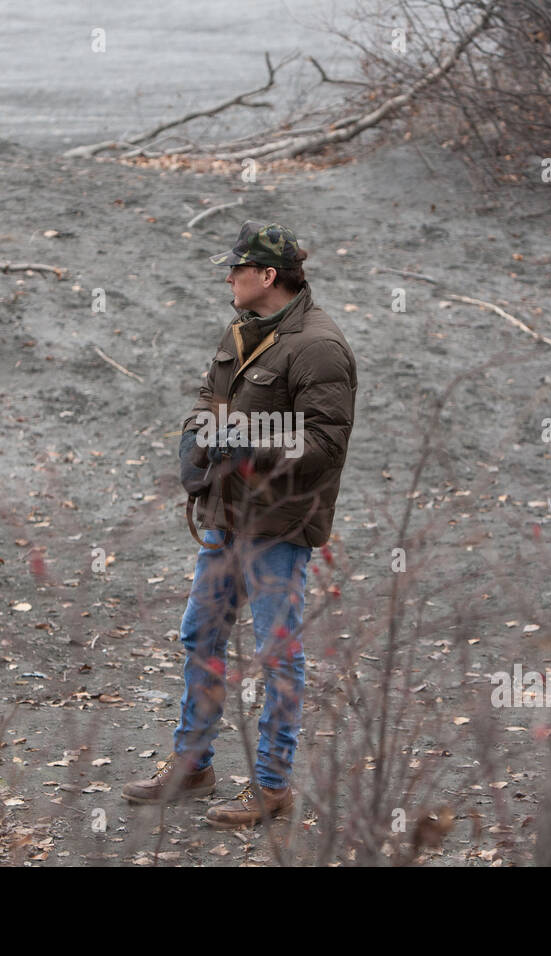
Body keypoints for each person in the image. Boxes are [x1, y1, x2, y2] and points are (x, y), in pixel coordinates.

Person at [122, 220, 358, 827]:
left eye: (236, 268)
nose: (228, 276)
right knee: (202, 635)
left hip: (279, 528)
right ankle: (192, 765)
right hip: (226, 518)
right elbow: (209, 399)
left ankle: (273, 785)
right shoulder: (241, 331)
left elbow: (325, 443)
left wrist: (245, 443)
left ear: (267, 276)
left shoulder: (319, 347)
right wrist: (194, 447)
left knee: (278, 653)